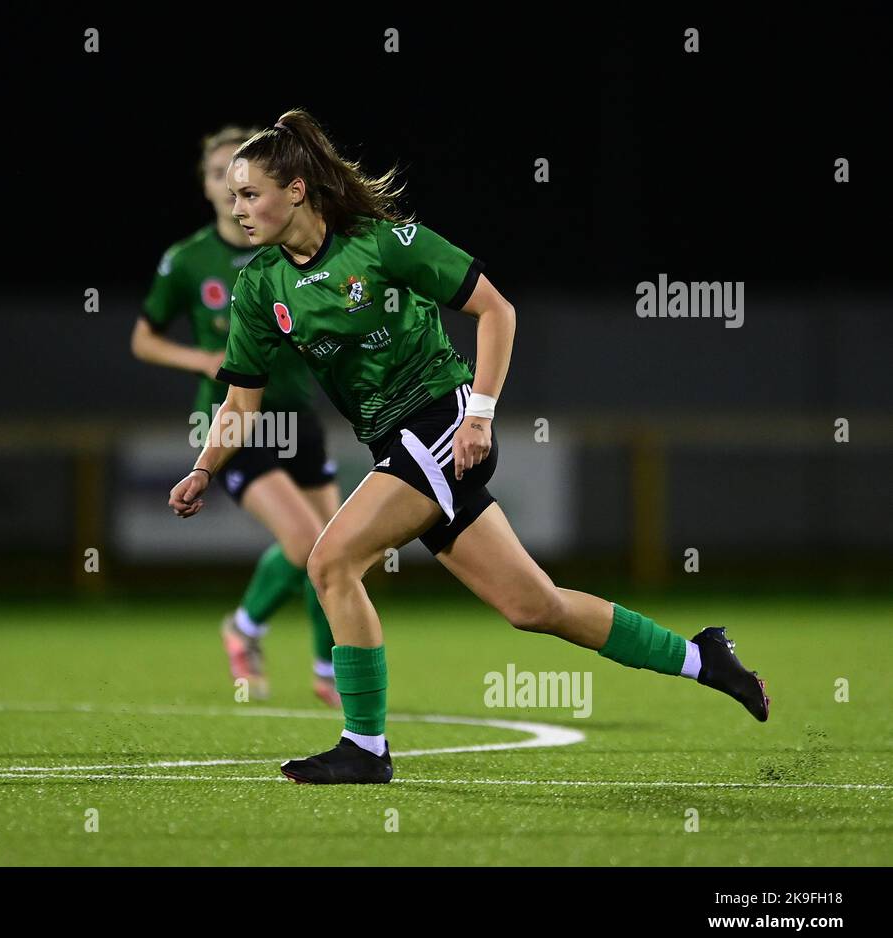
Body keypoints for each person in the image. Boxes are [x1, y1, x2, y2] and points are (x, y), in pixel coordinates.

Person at [168, 109, 770, 784]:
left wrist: (479, 415)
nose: (237, 206)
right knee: (533, 607)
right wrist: (203, 468)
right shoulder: (260, 285)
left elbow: (496, 310)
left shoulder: (384, 244)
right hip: (397, 445)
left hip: (442, 420)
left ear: (298, 189)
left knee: (332, 560)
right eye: (234, 193)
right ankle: (703, 658)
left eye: (251, 192)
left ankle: (365, 748)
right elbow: (242, 400)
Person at [132, 125, 343, 706]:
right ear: (207, 185)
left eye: (246, 178)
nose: (235, 190)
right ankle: (245, 628)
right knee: (307, 544)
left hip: (299, 417)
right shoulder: (190, 260)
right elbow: (143, 340)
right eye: (221, 174)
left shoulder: (289, 251)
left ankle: (327, 671)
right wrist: (201, 357)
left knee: (340, 549)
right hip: (234, 421)